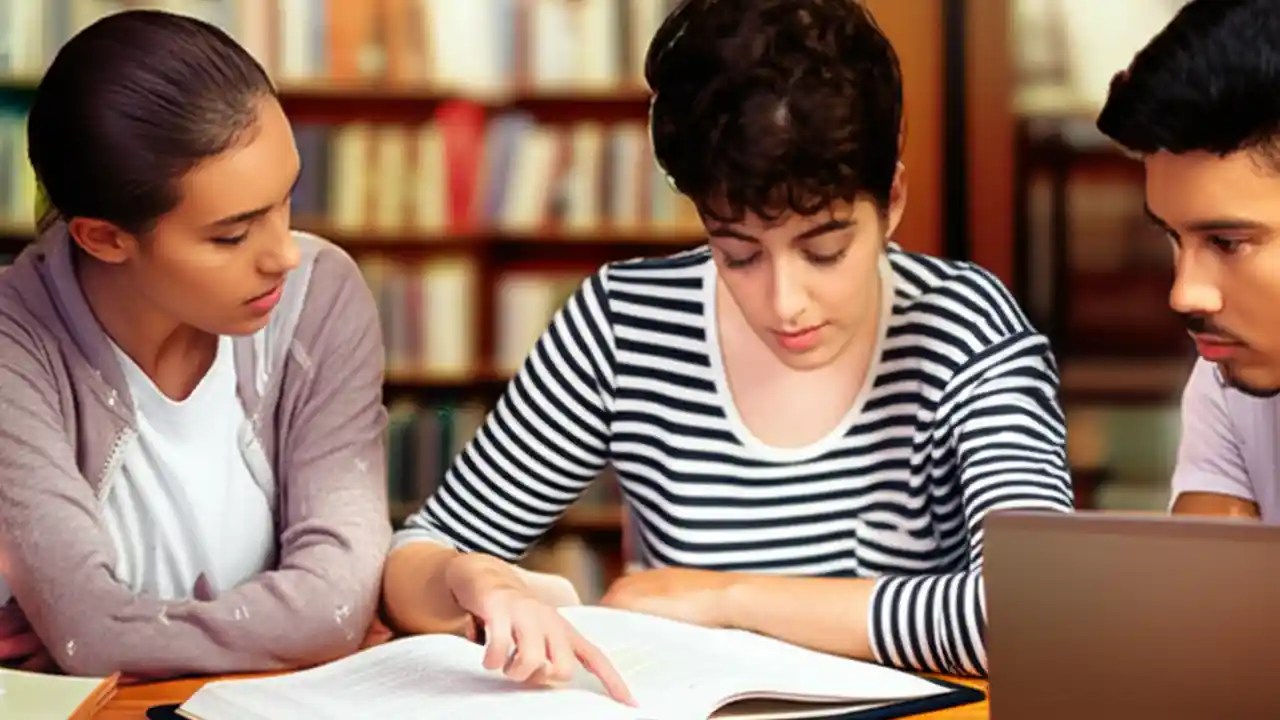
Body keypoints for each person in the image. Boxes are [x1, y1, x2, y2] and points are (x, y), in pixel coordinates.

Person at [383, 0, 1073, 683]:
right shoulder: (624, 326)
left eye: (826, 250)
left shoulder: (965, 326)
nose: (784, 303)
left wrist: (721, 597)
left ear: (891, 200)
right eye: (738, 253)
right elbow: (418, 555)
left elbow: (1036, 607)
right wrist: (471, 577)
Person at [0, 10, 392, 679]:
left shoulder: (321, 296)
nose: (284, 256)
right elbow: (89, 632)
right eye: (232, 235)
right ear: (103, 238)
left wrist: (123, 639)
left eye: (285, 201)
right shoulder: (15, 344)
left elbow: (336, 601)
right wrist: (297, 631)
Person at [1097, 0, 1280, 522]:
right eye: (1174, 238)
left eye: (1226, 242)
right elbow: (1206, 589)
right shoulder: (1227, 382)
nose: (1185, 295)